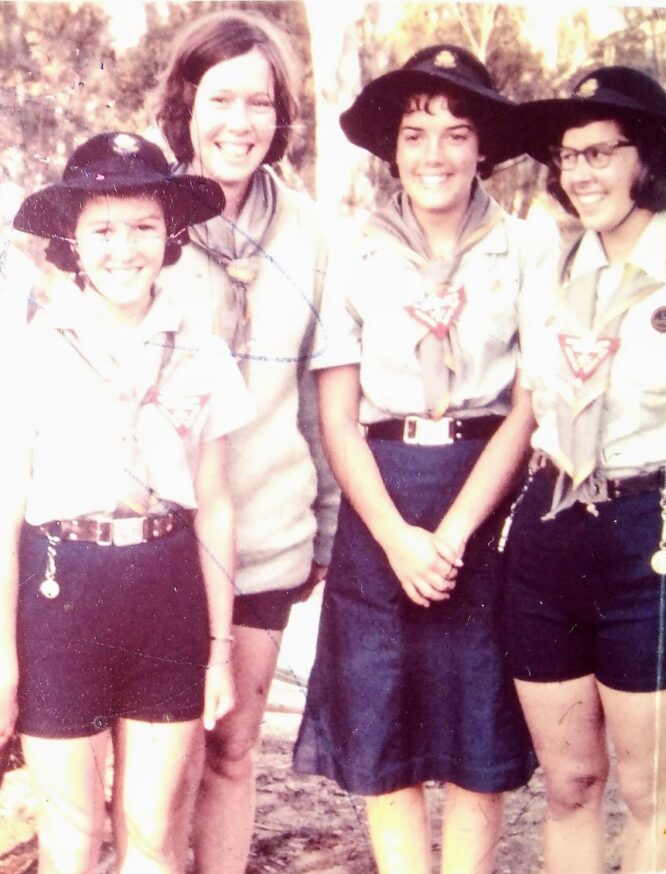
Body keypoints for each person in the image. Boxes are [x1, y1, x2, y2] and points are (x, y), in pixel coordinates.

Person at [293, 45, 555, 874]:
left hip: (486, 495)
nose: (433, 154)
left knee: (480, 712)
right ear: (391, 148)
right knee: (385, 720)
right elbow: (337, 417)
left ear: (484, 147)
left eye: (455, 132)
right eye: (415, 134)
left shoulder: (526, 247)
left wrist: (455, 532)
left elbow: (529, 402)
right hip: (384, 497)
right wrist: (403, 538)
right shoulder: (354, 249)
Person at [1, 132, 253, 873]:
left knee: (151, 828)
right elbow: (5, 505)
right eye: (102, 230)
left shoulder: (200, 349)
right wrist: (3, 653)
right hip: (61, 591)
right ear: (71, 241)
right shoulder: (31, 351)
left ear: (170, 234)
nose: (124, 248)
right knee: (73, 826)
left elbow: (216, 505)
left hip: (166, 586)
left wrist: (220, 652)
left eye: (143, 225)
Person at [154, 10, 338, 873]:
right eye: (220, 98)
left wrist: (327, 529)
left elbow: (319, 392)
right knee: (161, 762)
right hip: (155, 545)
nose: (239, 122)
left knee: (231, 749)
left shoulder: (309, 231)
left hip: (266, 537)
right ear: (186, 103)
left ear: (280, 115)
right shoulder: (137, 217)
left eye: (258, 102)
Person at [505, 66, 666, 873]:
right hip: (548, 533)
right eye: (568, 156)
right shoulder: (548, 265)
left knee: (657, 796)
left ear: (646, 156)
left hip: (650, 534)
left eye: (601, 153)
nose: (581, 173)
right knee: (571, 782)